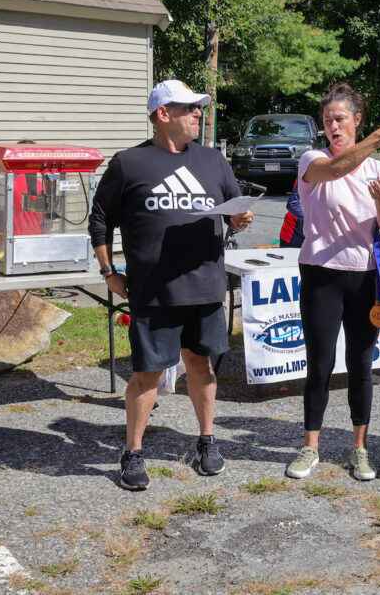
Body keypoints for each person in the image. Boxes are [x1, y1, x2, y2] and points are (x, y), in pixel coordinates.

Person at [88, 79, 254, 491]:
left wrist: (240, 219)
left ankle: (207, 441)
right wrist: (109, 272)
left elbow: (234, 210)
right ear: (163, 115)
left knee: (201, 365)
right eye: (189, 108)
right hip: (154, 290)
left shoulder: (214, 161)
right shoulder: (129, 163)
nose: (198, 113)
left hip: (205, 287)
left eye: (198, 108)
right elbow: (100, 220)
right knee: (147, 373)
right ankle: (133, 452)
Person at [286, 83, 380, 482]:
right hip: (321, 274)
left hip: (363, 275)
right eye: (328, 120)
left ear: (356, 120)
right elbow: (338, 168)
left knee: (360, 365)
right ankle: (310, 447)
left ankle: (360, 449)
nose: (333, 126)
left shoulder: (378, 169)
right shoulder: (312, 159)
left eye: (340, 118)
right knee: (320, 365)